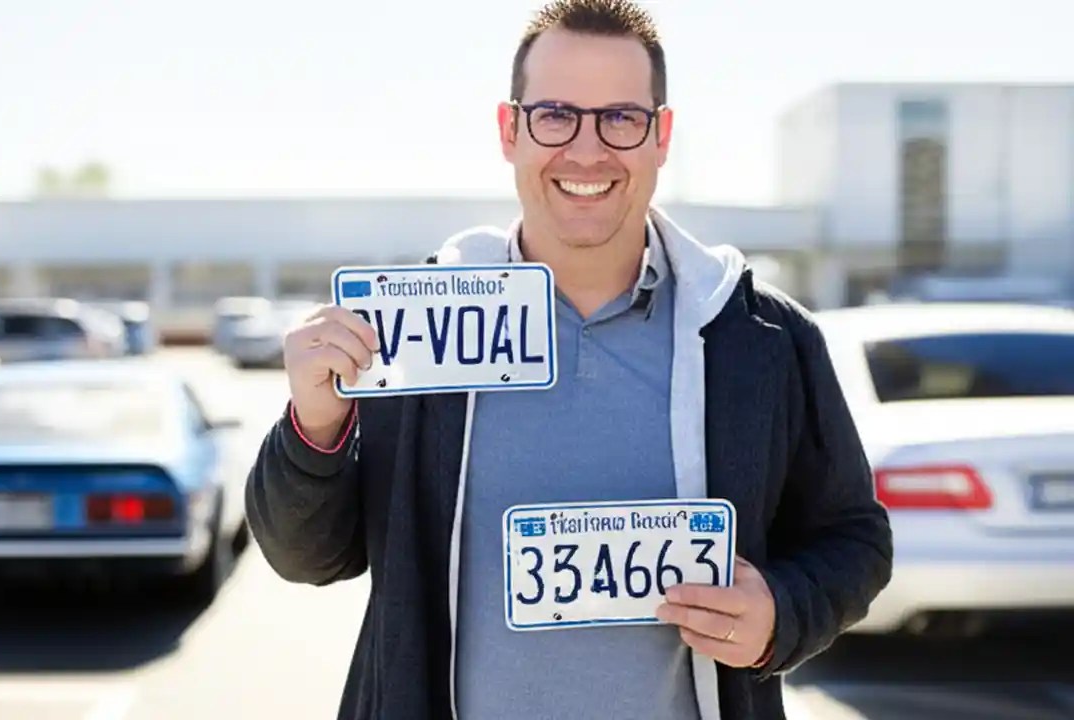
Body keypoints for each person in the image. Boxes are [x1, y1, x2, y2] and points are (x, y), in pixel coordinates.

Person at [245, 1, 894, 718]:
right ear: (509, 130)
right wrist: (315, 425)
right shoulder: (413, 332)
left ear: (662, 136)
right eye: (555, 114)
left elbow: (854, 540)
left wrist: (782, 613)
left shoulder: (761, 338)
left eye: (621, 117)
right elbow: (305, 555)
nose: (587, 152)